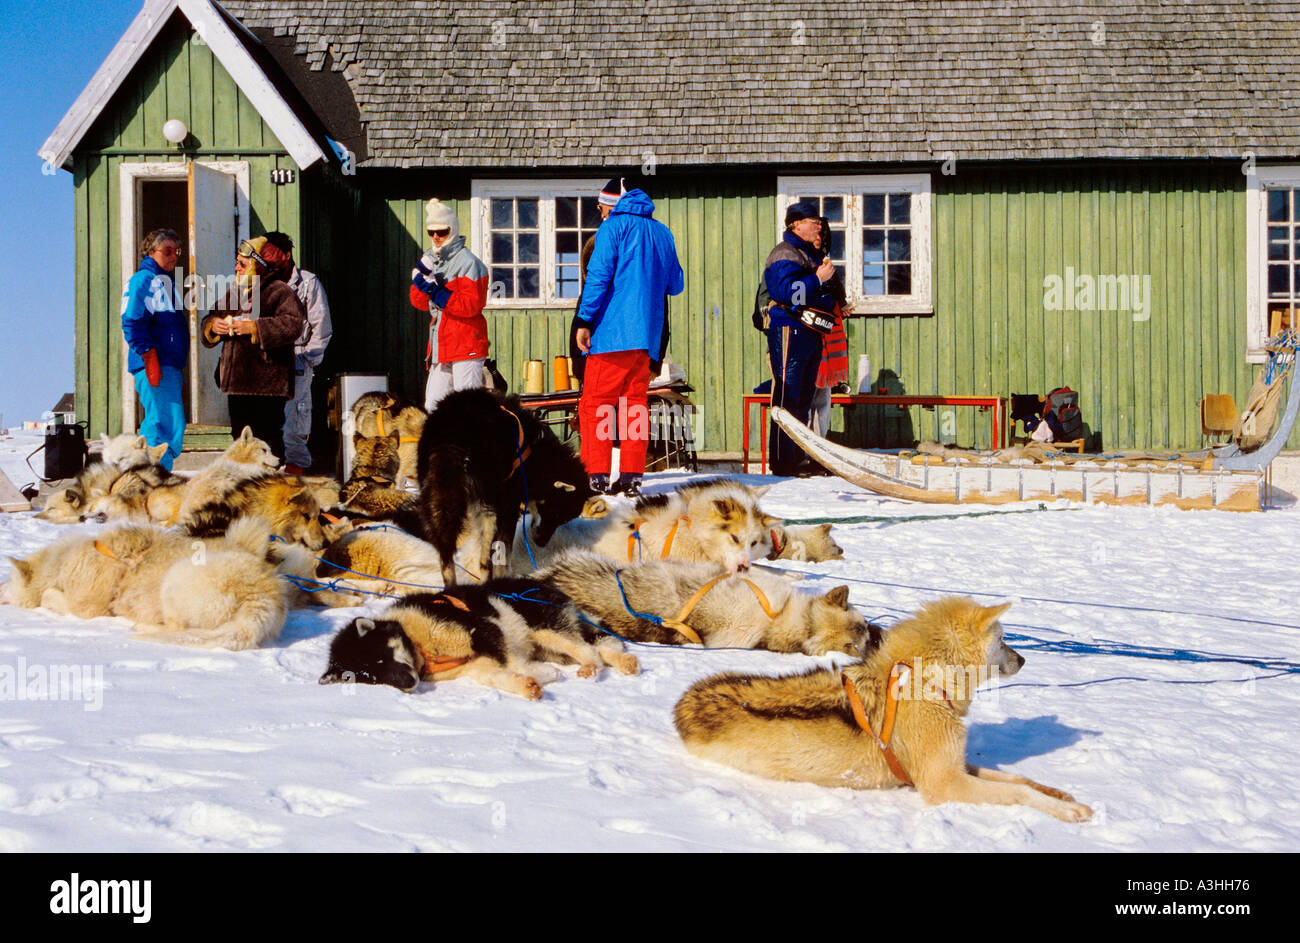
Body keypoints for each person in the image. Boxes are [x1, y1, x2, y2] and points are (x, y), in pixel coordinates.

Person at [574, 176, 685, 497]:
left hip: (611, 334)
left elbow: (598, 277)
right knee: (634, 406)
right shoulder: (662, 232)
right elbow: (675, 284)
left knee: (598, 405)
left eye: (601, 206)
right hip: (646, 338)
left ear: (614, 204)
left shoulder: (612, 229)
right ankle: (632, 475)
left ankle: (596, 474)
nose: (600, 212)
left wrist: (584, 319)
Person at [201, 236, 306, 462]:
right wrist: (213, 325)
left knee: (268, 441)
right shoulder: (236, 291)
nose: (236, 268)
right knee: (240, 442)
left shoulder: (280, 291)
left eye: (242, 263)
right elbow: (210, 317)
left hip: (267, 385)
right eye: (236, 262)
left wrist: (255, 328)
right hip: (238, 382)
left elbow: (293, 324)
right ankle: (245, 488)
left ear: (259, 265)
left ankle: (270, 488)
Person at [762, 202, 838, 476]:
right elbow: (785, 293)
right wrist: (817, 279)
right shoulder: (785, 253)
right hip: (789, 329)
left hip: (809, 330)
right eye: (812, 221)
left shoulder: (807, 252)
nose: (818, 226)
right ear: (796, 224)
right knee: (787, 395)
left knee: (804, 396)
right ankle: (783, 461)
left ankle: (797, 457)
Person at [409, 198, 490, 411]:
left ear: (452, 230)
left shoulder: (470, 263)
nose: (436, 237)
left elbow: (471, 306)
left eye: (442, 231)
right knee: (433, 406)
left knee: (467, 407)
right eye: (431, 232)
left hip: (466, 343)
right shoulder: (431, 259)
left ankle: (473, 445)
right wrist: (421, 281)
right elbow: (418, 303)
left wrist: (436, 290)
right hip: (441, 346)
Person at [264, 231, 332, 475]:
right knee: (268, 425)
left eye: (270, 254)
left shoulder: (308, 283)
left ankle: (296, 479)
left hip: (297, 363)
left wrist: (307, 360)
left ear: (286, 255)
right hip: (268, 366)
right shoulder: (261, 282)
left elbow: (321, 327)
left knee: (294, 425)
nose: (266, 259)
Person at [120, 228, 187, 470]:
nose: (174, 257)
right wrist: (149, 357)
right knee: (161, 422)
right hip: (156, 363)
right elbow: (131, 320)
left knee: (169, 422)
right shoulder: (144, 280)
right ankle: (154, 476)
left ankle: (158, 474)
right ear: (150, 251)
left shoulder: (165, 282)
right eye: (168, 251)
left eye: (177, 251)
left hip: (169, 365)